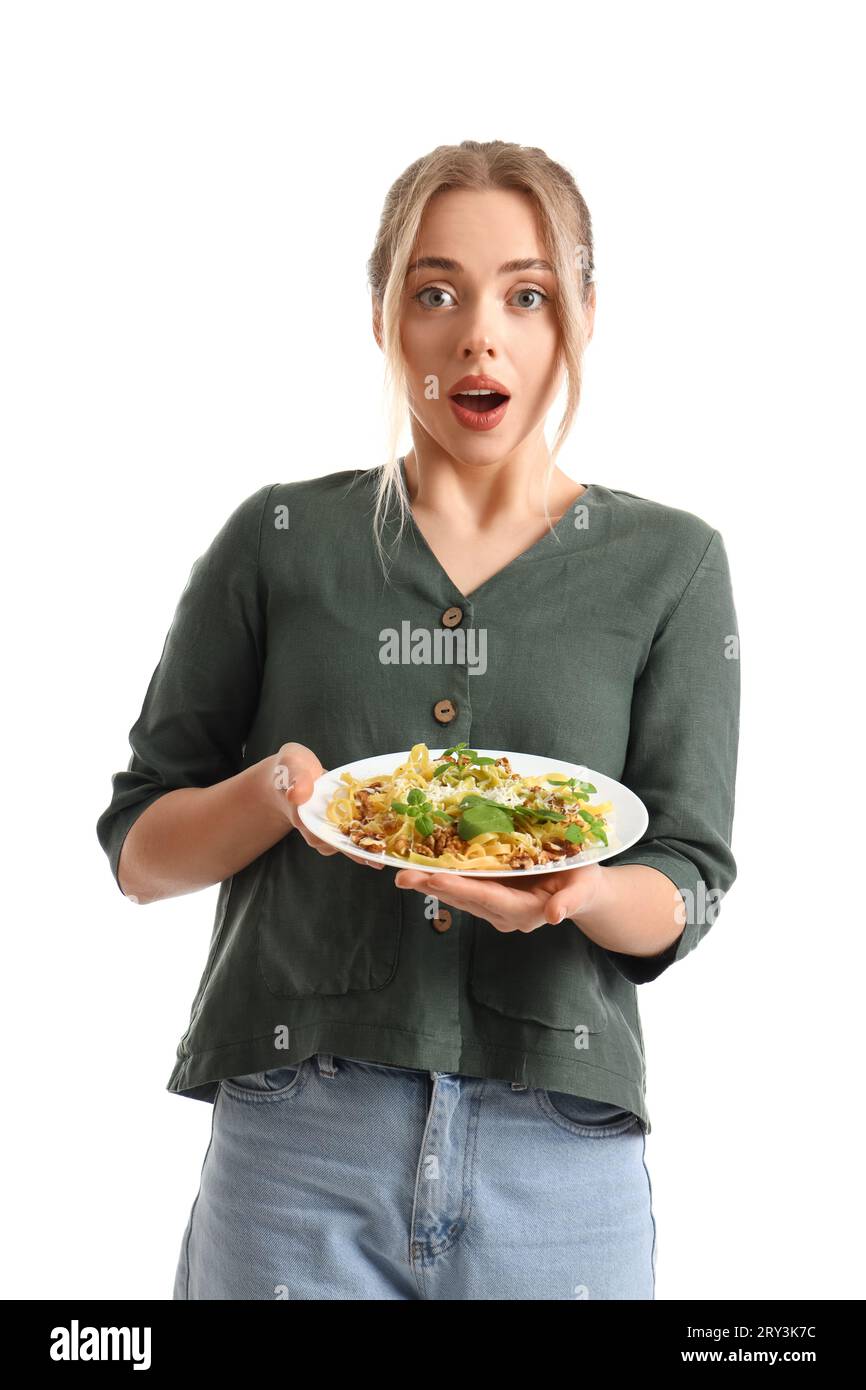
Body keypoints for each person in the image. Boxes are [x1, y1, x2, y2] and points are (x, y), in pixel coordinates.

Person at [96, 139, 740, 1300]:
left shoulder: (672, 566)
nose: (476, 335)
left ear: (583, 315)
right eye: (433, 291)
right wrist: (272, 794)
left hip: (559, 1160)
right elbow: (141, 855)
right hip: (300, 1139)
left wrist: (582, 890)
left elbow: (687, 879)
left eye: (526, 294)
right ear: (384, 317)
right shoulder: (278, 540)